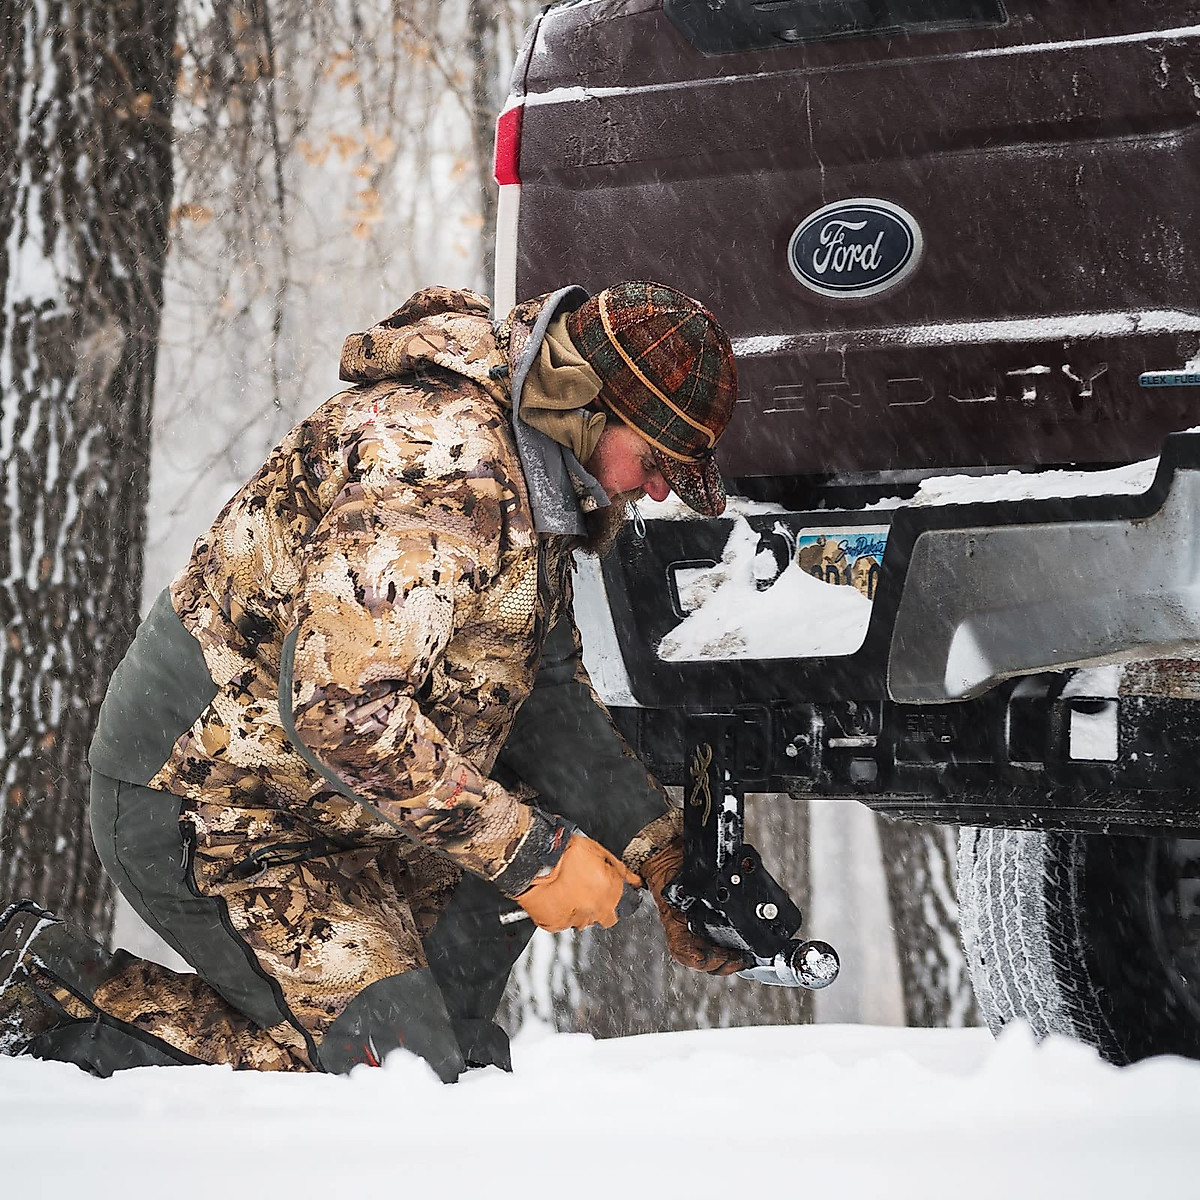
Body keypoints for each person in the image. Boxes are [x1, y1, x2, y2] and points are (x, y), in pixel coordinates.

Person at [0, 281, 747, 1081]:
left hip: (351, 806)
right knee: (395, 1073)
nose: (660, 489)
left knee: (448, 1057)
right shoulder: (440, 467)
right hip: (218, 798)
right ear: (584, 403)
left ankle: (418, 1043)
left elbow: (544, 692)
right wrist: (534, 858)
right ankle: (39, 996)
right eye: (658, 458)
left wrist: (669, 859)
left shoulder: (535, 475)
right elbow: (341, 714)